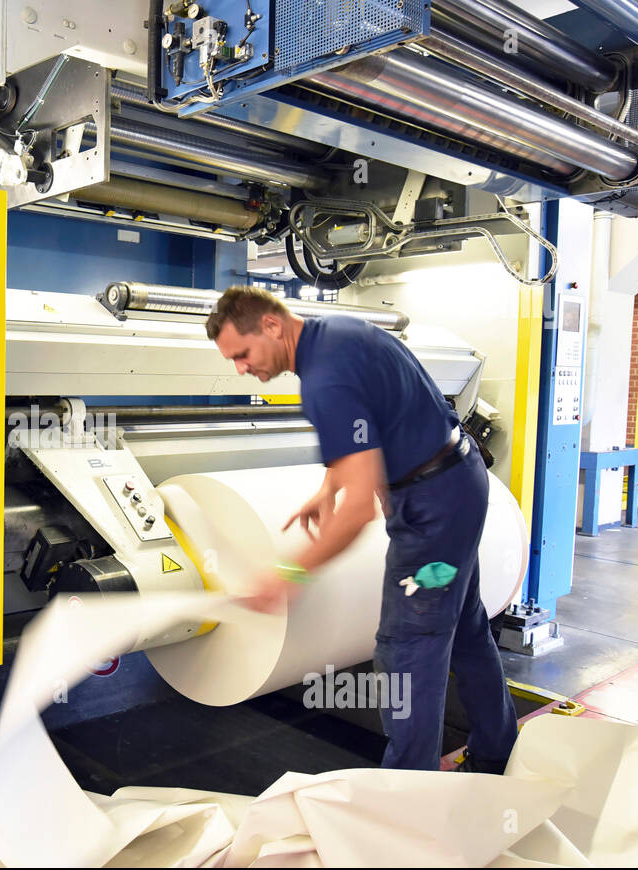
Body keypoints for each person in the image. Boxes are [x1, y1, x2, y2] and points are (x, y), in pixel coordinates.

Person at [206, 286, 518, 773]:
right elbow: (374, 422)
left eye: (242, 355)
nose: (241, 369)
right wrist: (330, 486)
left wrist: (287, 576)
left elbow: (357, 516)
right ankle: (497, 749)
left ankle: (406, 796)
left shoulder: (323, 381)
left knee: (408, 647)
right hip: (458, 486)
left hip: (432, 516)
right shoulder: (339, 335)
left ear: (271, 325)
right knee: (464, 628)